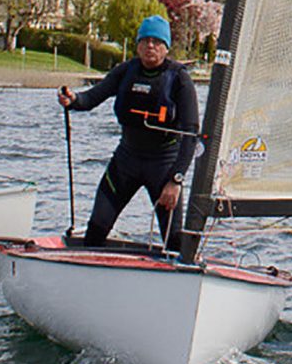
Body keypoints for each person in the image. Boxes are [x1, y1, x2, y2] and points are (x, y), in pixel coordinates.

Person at [58, 14, 200, 251]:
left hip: (164, 168)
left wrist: (176, 180)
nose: (150, 46)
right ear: (138, 45)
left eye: (156, 41)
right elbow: (91, 98)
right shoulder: (126, 71)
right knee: (96, 230)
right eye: (145, 41)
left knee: (174, 242)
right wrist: (72, 100)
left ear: (166, 47)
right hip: (126, 162)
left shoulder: (180, 79)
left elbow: (191, 135)